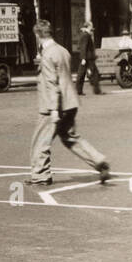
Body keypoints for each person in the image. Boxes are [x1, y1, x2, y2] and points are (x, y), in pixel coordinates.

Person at [29, 19, 110, 187]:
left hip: (54, 106)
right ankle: (99, 161)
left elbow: (52, 84)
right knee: (70, 138)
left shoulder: (47, 55)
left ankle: (40, 175)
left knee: (40, 141)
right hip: (70, 102)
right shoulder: (62, 50)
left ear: (38, 35)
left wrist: (53, 110)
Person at [76, 21, 102, 96]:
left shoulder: (83, 34)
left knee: (81, 74)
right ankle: (97, 90)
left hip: (86, 57)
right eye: (91, 26)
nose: (92, 27)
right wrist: (83, 58)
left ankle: (79, 91)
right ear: (88, 26)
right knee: (94, 73)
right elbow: (83, 47)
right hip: (88, 58)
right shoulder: (86, 35)